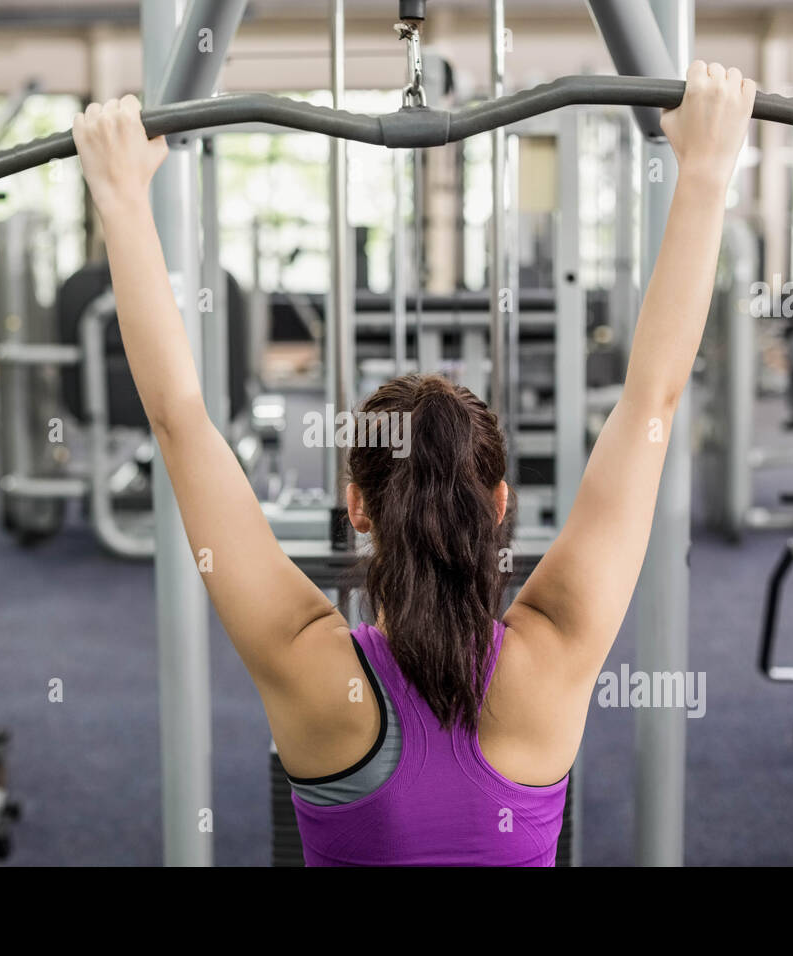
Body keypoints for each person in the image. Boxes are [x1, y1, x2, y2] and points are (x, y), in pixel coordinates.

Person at [72, 59, 757, 866]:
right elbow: (652, 403)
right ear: (499, 502)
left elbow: (181, 422)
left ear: (357, 507)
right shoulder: (555, 655)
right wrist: (708, 170)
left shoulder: (312, 669)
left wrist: (120, 196)